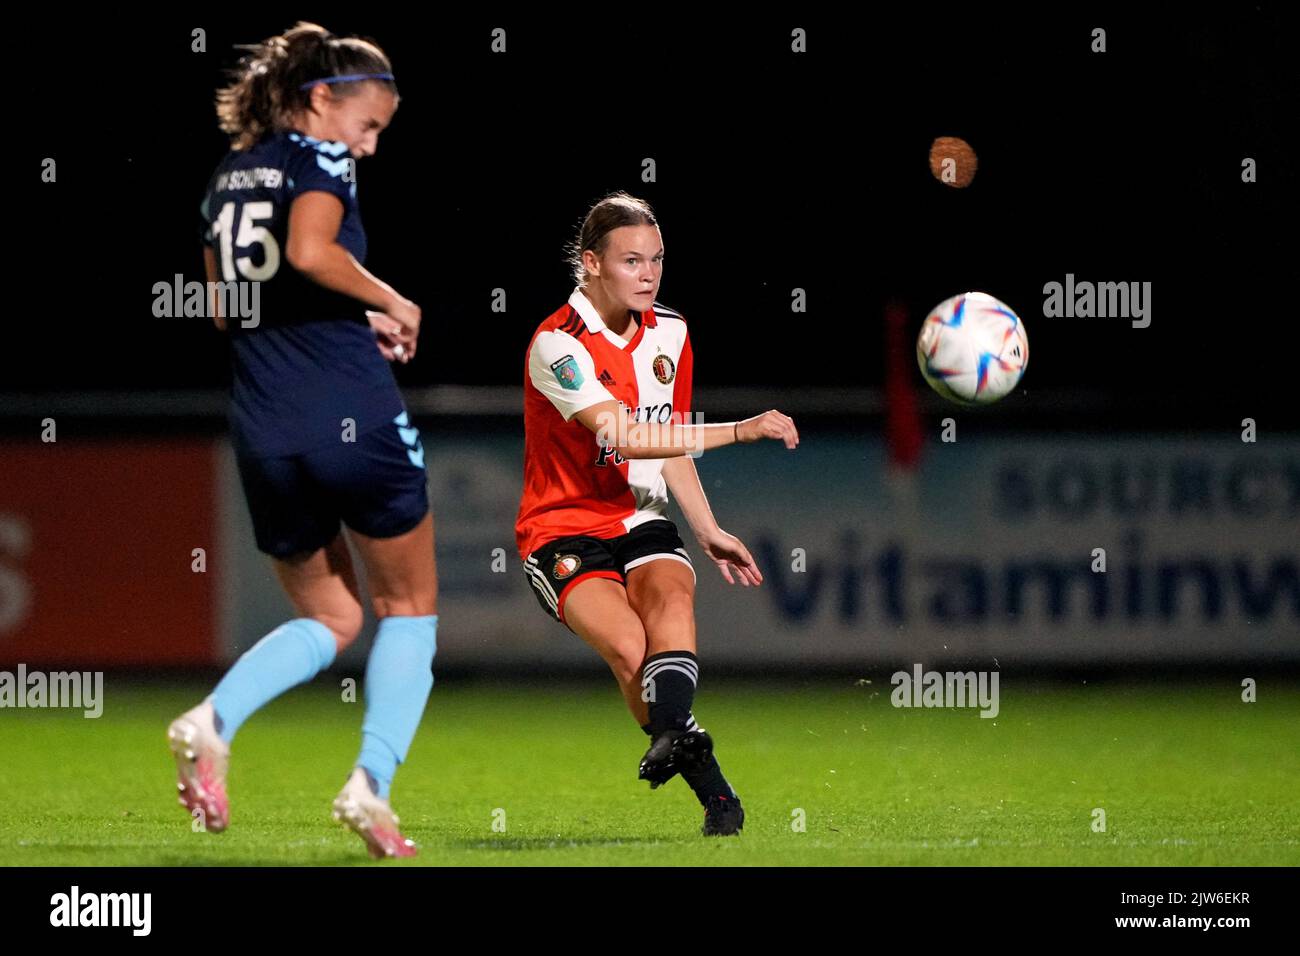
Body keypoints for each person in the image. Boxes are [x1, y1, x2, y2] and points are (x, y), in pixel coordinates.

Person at [167, 22, 437, 859]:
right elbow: (313, 250)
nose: (369, 146)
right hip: (350, 410)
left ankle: (211, 722)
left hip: (264, 425)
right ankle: (370, 786)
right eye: (368, 125)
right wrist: (392, 301)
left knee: (331, 613)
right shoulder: (319, 160)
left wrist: (343, 313)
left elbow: (224, 309)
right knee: (407, 610)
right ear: (322, 98)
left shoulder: (225, 178)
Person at [515, 192, 799, 835]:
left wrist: (707, 529)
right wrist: (742, 429)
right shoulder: (558, 345)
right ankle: (701, 765)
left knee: (672, 602)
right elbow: (627, 436)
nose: (649, 273)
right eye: (631, 260)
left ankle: (712, 796)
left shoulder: (671, 331)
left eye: (658, 260)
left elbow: (665, 436)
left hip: (641, 515)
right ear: (591, 263)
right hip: (561, 527)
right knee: (627, 647)